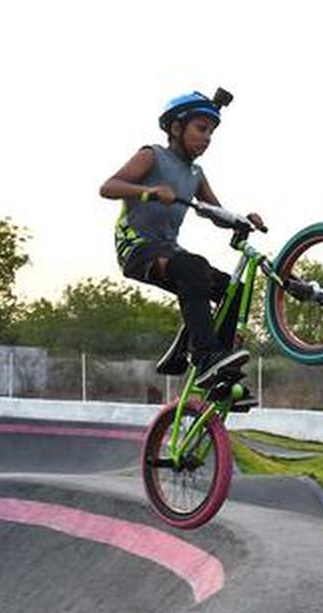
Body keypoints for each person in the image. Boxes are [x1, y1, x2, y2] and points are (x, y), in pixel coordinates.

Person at [99, 88, 264, 389]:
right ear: (176, 128)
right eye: (201, 129)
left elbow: (215, 212)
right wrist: (150, 192)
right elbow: (108, 187)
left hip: (168, 251)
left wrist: (242, 218)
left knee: (234, 291)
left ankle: (220, 369)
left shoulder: (196, 174)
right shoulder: (152, 155)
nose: (207, 138)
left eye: (212, 133)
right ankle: (204, 356)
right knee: (193, 267)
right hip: (136, 248)